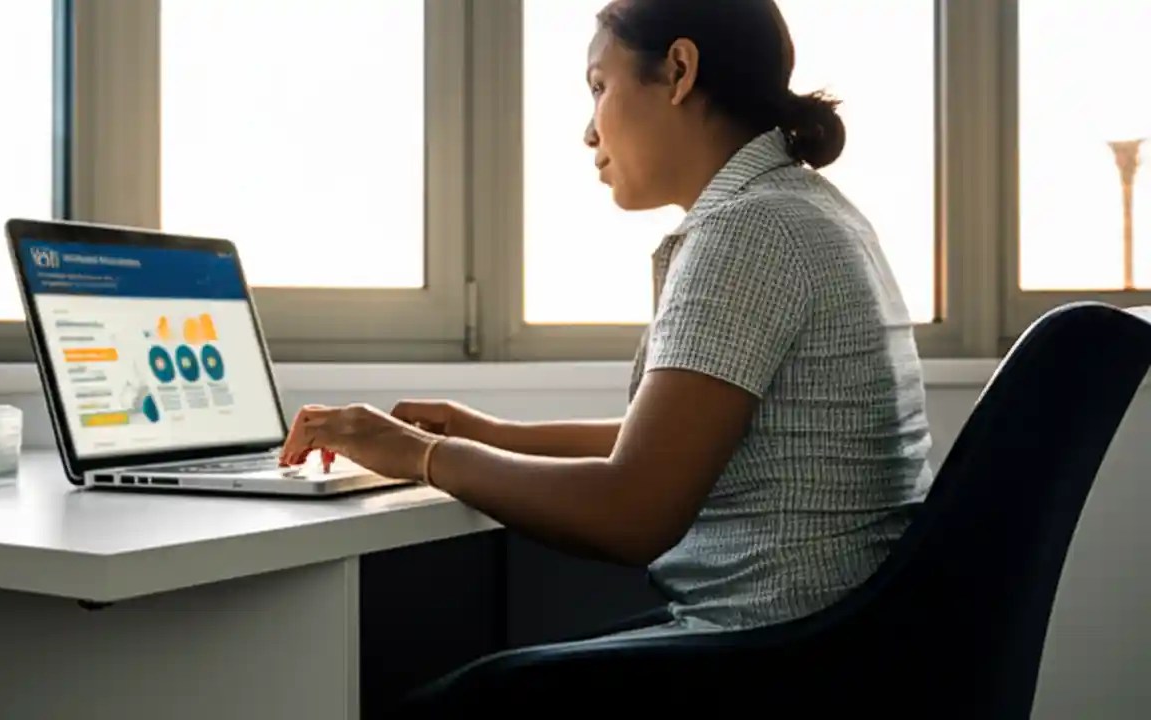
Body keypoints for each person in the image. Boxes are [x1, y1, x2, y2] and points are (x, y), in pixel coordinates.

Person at [281, 0, 933, 640]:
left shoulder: (747, 231)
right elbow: (669, 444)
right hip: (835, 641)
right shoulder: (804, 209)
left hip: (776, 657)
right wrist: (491, 433)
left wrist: (421, 455)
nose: (590, 131)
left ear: (679, 71)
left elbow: (633, 511)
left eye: (599, 86)